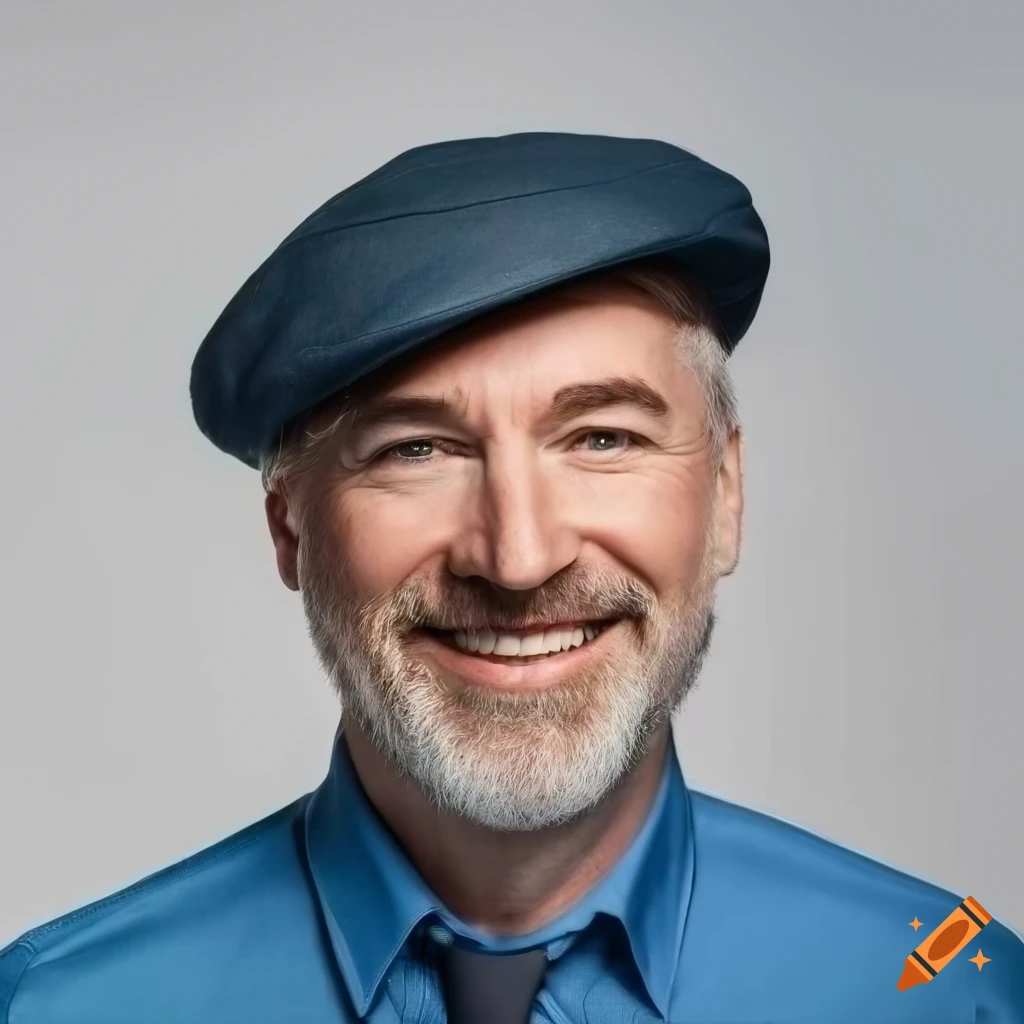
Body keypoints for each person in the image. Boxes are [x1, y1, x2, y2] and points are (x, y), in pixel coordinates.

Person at [2, 132, 1021, 1024]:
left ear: (724, 495)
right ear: (290, 530)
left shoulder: (946, 988)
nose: (519, 557)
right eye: (416, 450)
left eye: (602, 436)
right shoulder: (59, 1008)